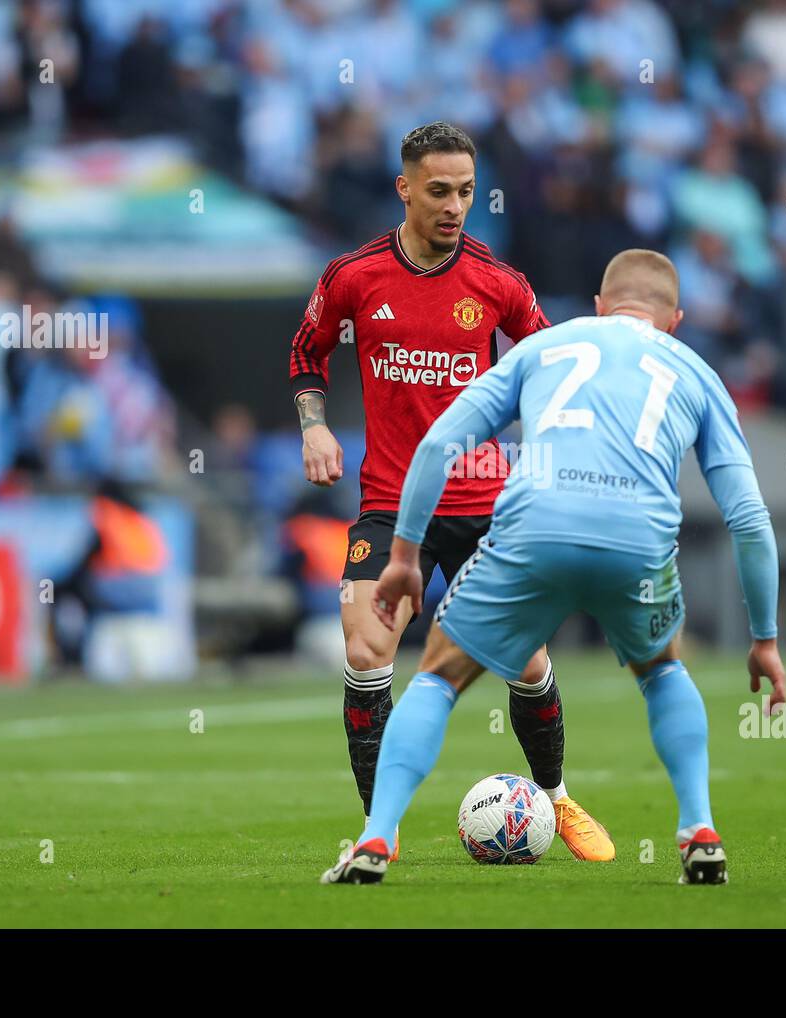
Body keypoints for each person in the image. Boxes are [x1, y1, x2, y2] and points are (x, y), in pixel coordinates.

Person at [321, 249, 786, 886]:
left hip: (534, 526)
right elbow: (750, 521)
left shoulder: (547, 346)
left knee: (438, 677)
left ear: (599, 306)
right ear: (674, 320)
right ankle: (699, 829)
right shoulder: (698, 373)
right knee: (662, 670)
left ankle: (375, 839)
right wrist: (764, 638)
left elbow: (437, 445)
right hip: (638, 540)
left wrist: (404, 556)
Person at [288, 121, 612, 861]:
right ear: (404, 188)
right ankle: (379, 831)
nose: (455, 206)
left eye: (466, 191)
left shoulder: (498, 284)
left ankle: (557, 799)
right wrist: (313, 425)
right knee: (368, 649)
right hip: (392, 501)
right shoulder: (355, 275)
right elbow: (308, 350)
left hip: (483, 506)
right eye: (439, 191)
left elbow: (552, 367)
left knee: (524, 661)